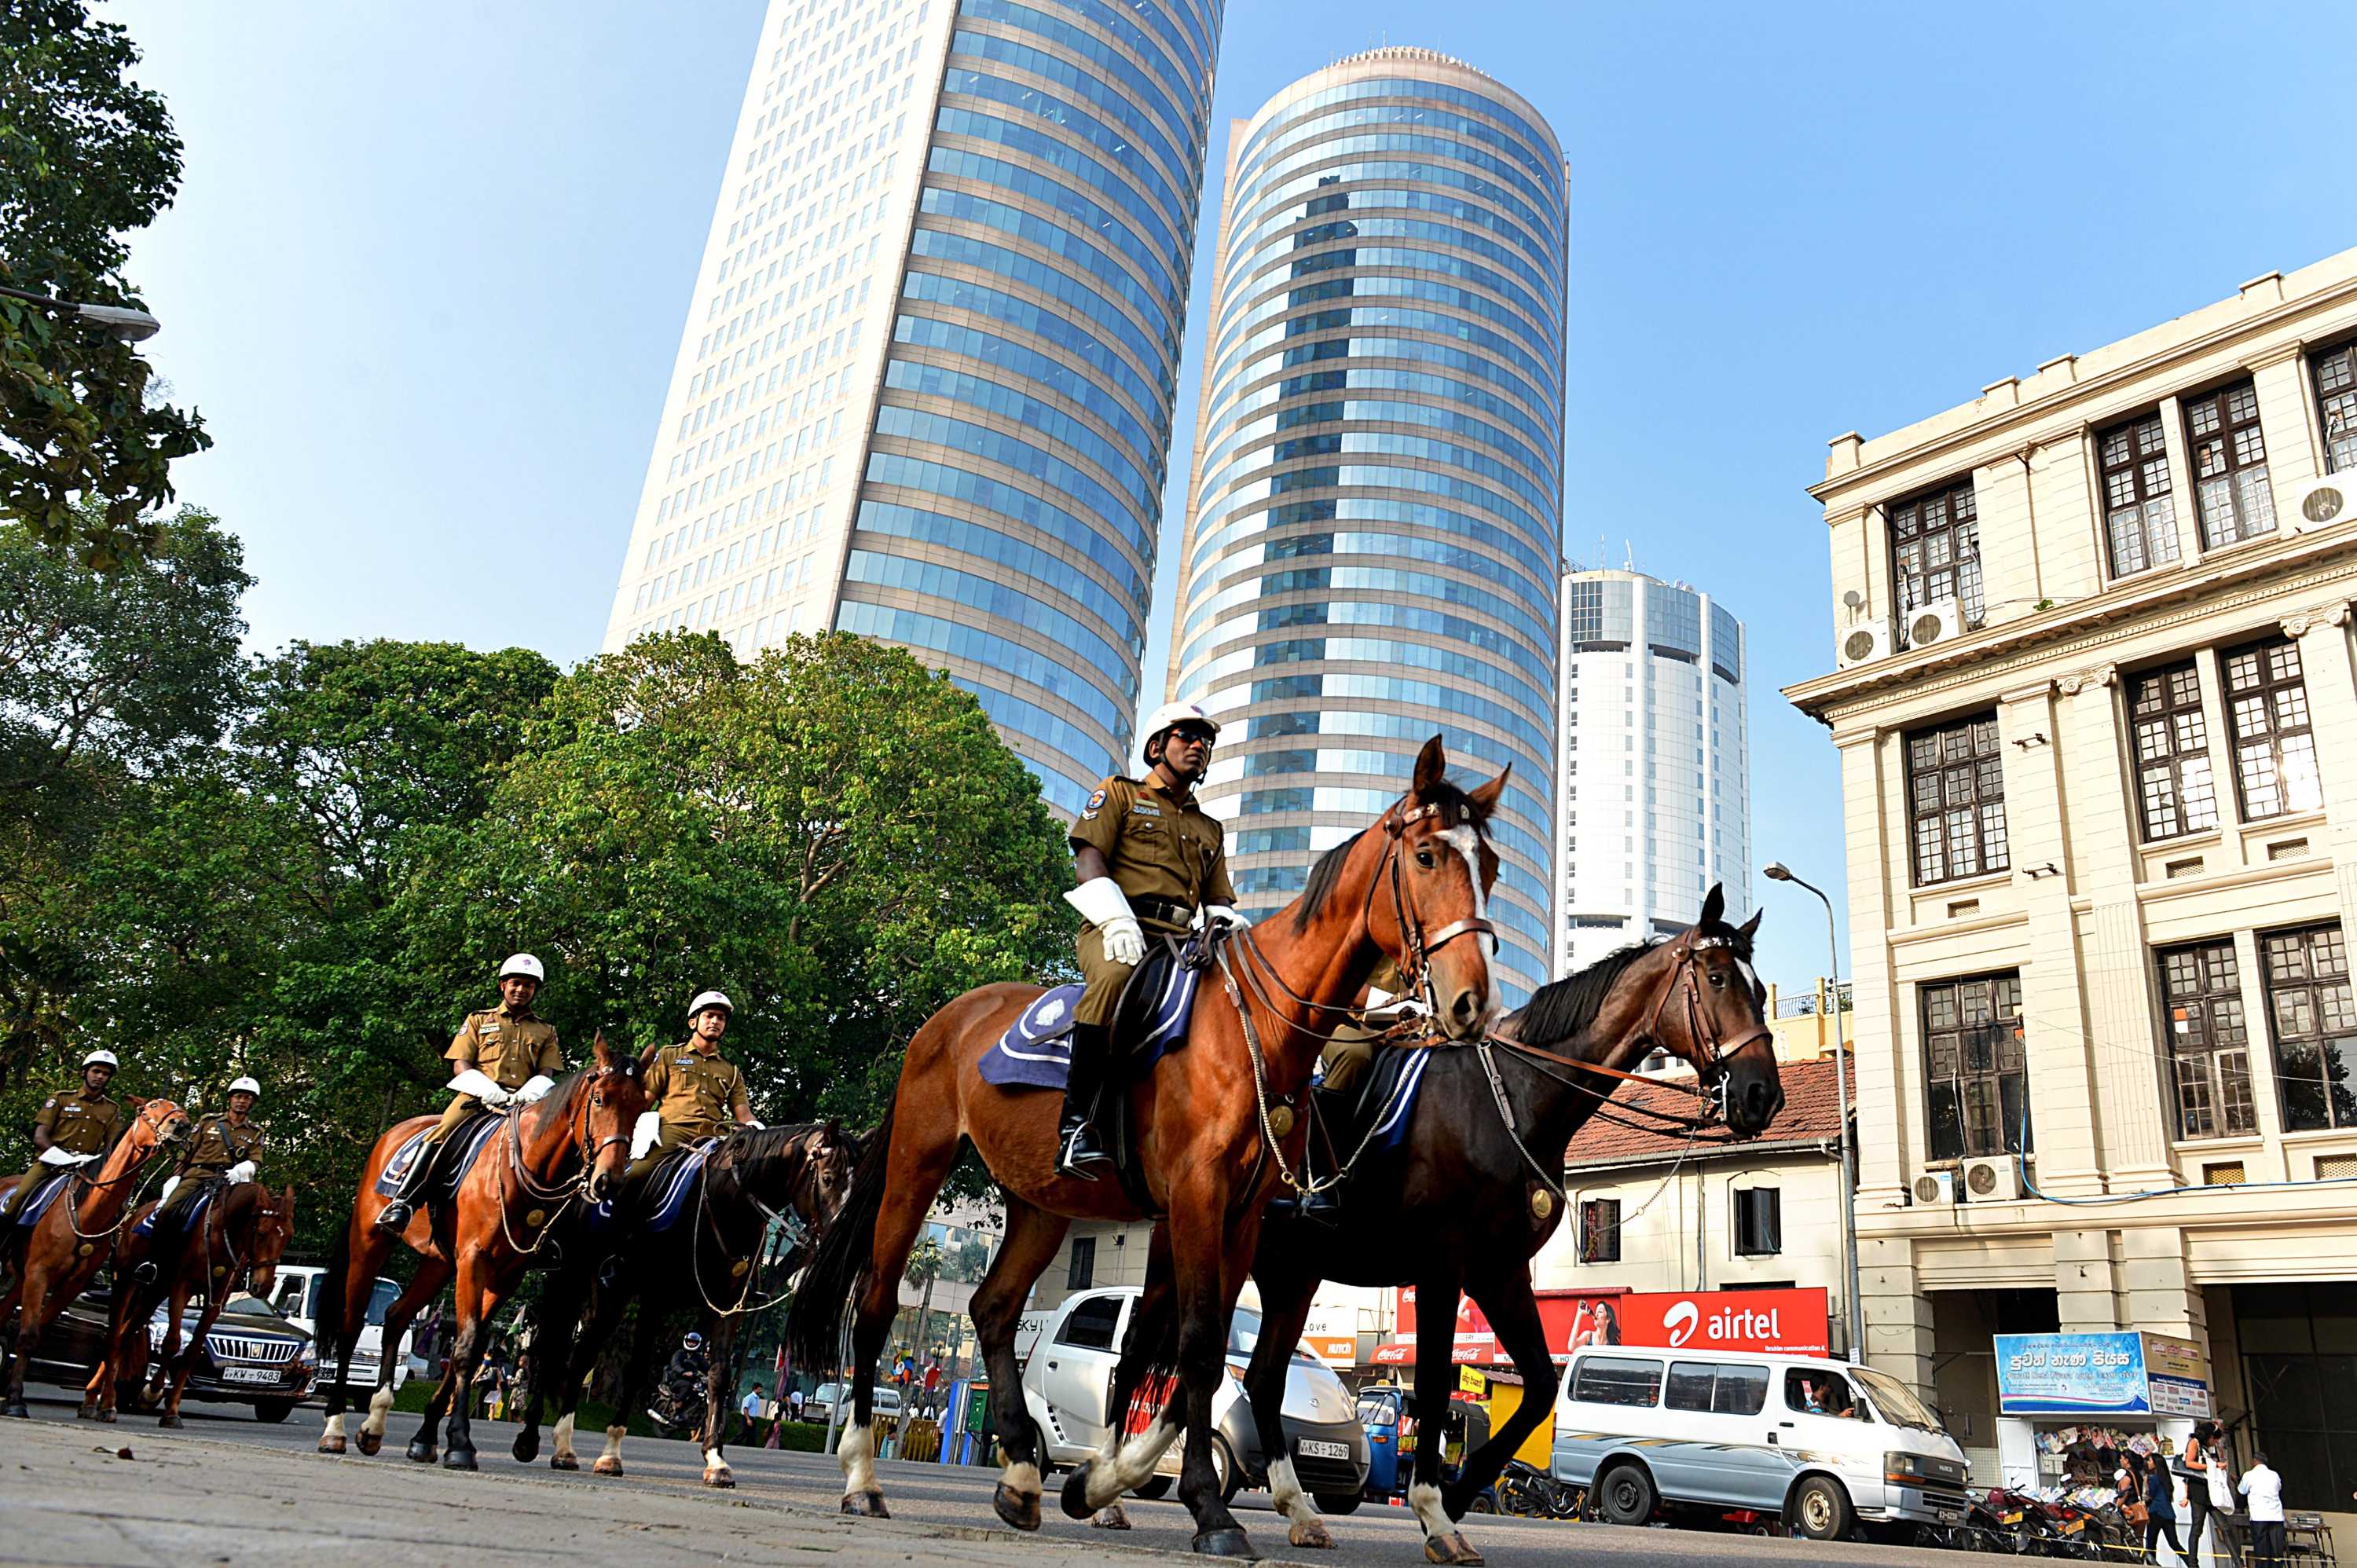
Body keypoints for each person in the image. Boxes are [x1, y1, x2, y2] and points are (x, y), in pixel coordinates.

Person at [1058, 700, 1238, 1178]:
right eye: (1188, 736)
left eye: (1206, 740)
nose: (1199, 745)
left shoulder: (1209, 828)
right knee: (1116, 979)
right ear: (1158, 746)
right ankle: (1076, 1128)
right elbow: (1088, 860)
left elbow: (1219, 902)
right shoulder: (1120, 794)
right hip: (1115, 925)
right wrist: (1117, 921)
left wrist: (1231, 937)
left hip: (1182, 942)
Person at [378, 953, 563, 1230]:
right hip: (477, 1098)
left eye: (528, 985)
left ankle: (548, 1226)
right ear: (503, 985)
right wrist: (488, 1090)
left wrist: (527, 1094)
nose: (521, 990)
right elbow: (460, 1063)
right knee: (443, 1130)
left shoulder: (546, 1031)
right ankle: (404, 1202)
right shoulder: (478, 1021)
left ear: (535, 990)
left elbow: (547, 1071)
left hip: (525, 1103)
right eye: (515, 983)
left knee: (557, 1146)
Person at [624, 990, 760, 1188]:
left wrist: (760, 1132)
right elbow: (645, 1101)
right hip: (672, 1132)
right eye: (709, 1016)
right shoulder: (669, 1055)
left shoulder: (731, 1070)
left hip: (716, 1136)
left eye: (720, 1018)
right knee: (638, 1173)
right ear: (693, 1022)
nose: (715, 1021)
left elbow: (744, 1114)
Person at [1, 1050, 129, 1229]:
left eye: (105, 1074)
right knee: (21, 1195)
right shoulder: (61, 1099)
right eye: (96, 1071)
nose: (100, 1076)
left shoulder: (112, 1110)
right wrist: (64, 1159)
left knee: (118, 1209)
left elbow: (112, 1148)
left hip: (87, 1168)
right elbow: (40, 1136)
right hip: (50, 1164)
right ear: (85, 1072)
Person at [154, 1075, 265, 1225]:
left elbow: (256, 1160)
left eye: (247, 1098)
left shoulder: (255, 1132)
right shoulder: (208, 1122)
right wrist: (174, 1180)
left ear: (252, 1103)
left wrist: (239, 1171)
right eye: (238, 1096)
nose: (242, 1101)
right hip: (197, 1177)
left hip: (230, 1180)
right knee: (168, 1209)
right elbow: (186, 1154)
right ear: (230, 1099)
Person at [2185, 1421, 2235, 1566]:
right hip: (2198, 1491)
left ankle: (2238, 1562)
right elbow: (2189, 1463)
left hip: (2212, 1491)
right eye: (2215, 1439)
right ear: (2209, 1436)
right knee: (2197, 1528)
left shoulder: (2209, 1448)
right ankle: (2193, 1564)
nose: (2215, 1442)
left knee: (2225, 1527)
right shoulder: (2194, 1443)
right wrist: (2212, 1466)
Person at [2138, 1449, 2187, 1564]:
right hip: (2168, 1514)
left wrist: (2145, 1483)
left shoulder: (2152, 1479)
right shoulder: (2166, 1478)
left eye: (2149, 1461)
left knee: (2151, 1544)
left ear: (2155, 1463)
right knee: (2174, 1544)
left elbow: (2149, 1496)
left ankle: (2152, 1565)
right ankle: (2192, 1563)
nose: (2148, 1463)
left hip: (2156, 1513)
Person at [2240, 1452, 2284, 1566]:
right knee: (2276, 1550)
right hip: (2276, 1516)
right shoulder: (2275, 1475)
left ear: (2255, 1461)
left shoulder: (2248, 1475)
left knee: (2261, 1550)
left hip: (2259, 1516)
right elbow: (2278, 1488)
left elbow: (2242, 1491)